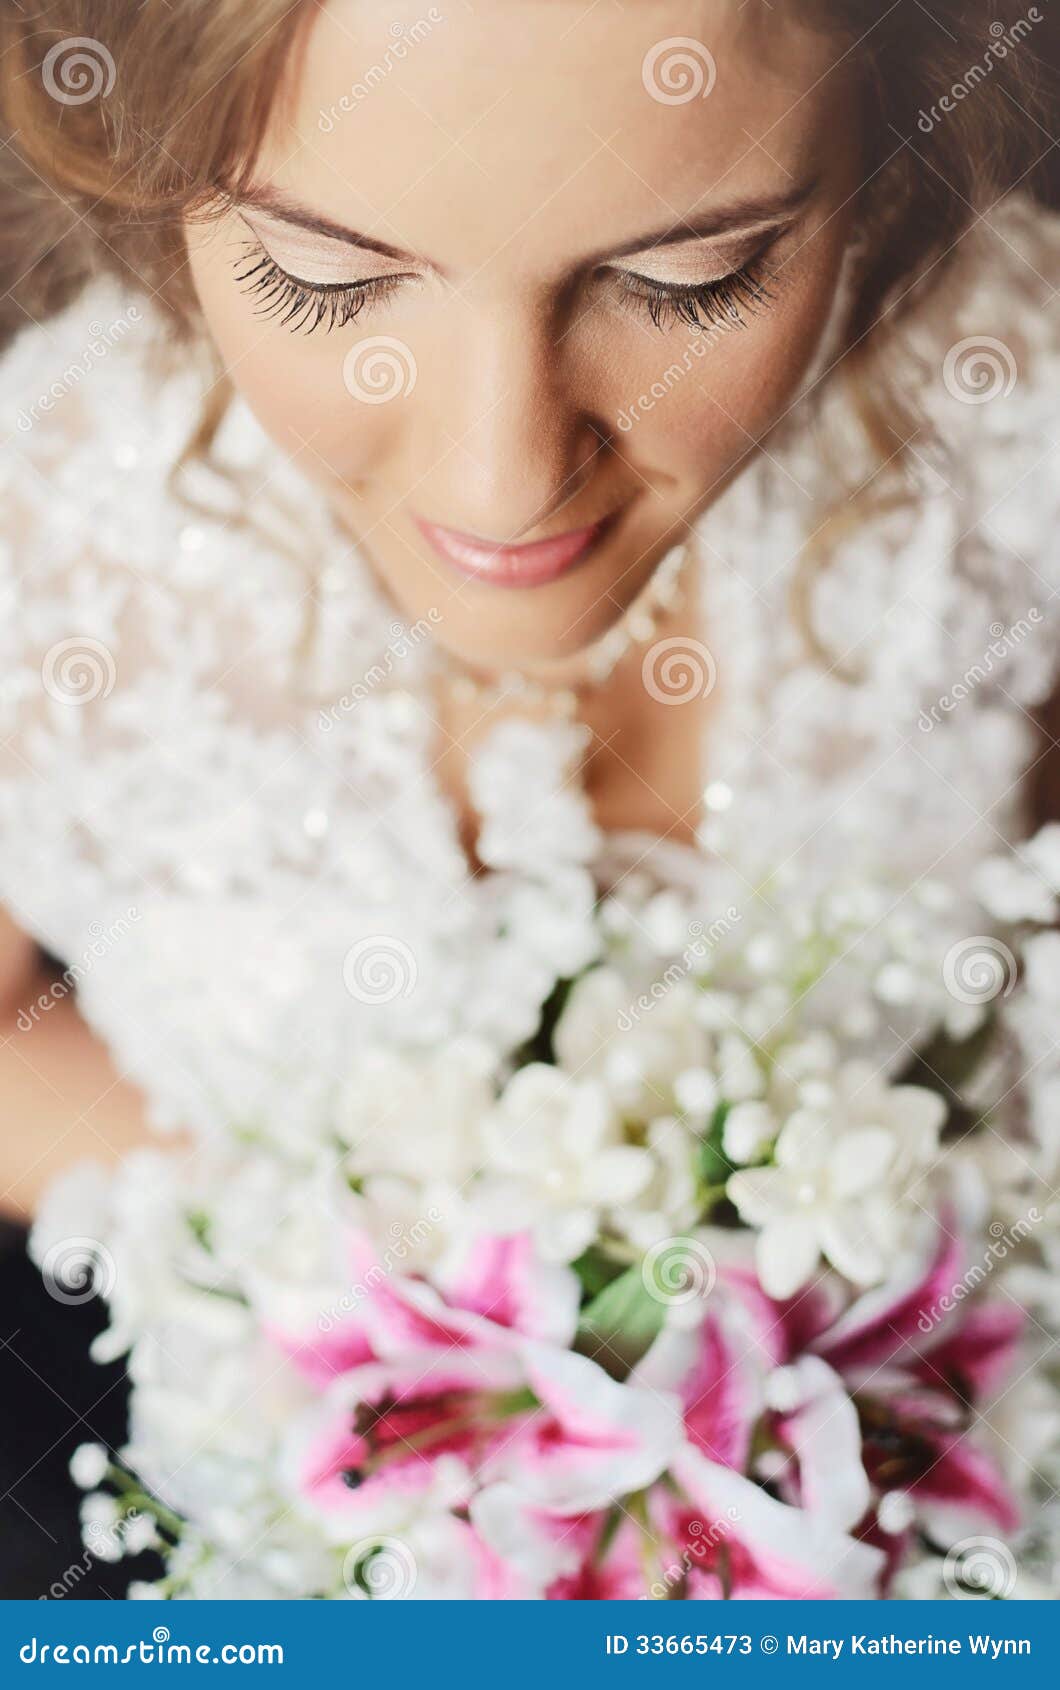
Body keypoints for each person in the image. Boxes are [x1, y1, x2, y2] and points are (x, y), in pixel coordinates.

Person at [0, 0, 1057, 1596]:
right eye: (327, 277)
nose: (504, 482)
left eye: (688, 278)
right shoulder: (45, 538)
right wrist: (368, 1257)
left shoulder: (1010, 425)